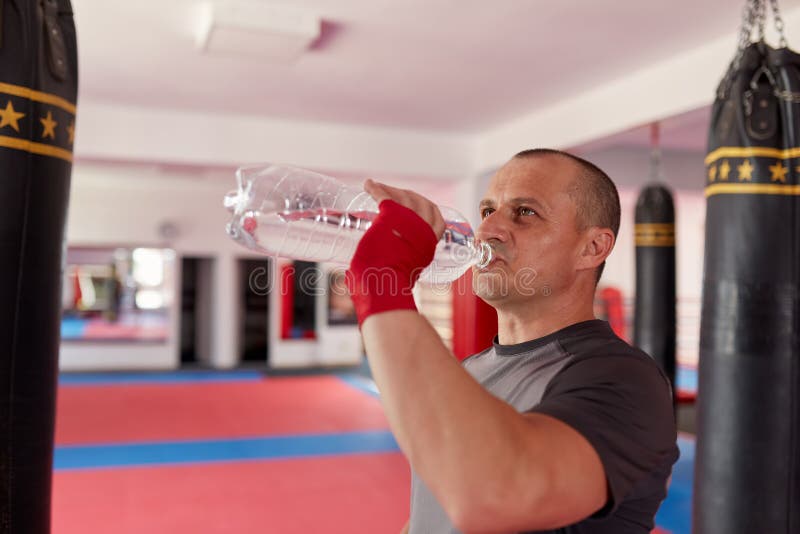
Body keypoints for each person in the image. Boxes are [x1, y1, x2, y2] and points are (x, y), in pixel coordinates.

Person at [346, 149, 679, 533]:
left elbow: (494, 495)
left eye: (525, 212)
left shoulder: (626, 381)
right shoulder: (467, 371)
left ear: (592, 248)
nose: (487, 231)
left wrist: (383, 284)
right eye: (488, 211)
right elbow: (433, 514)